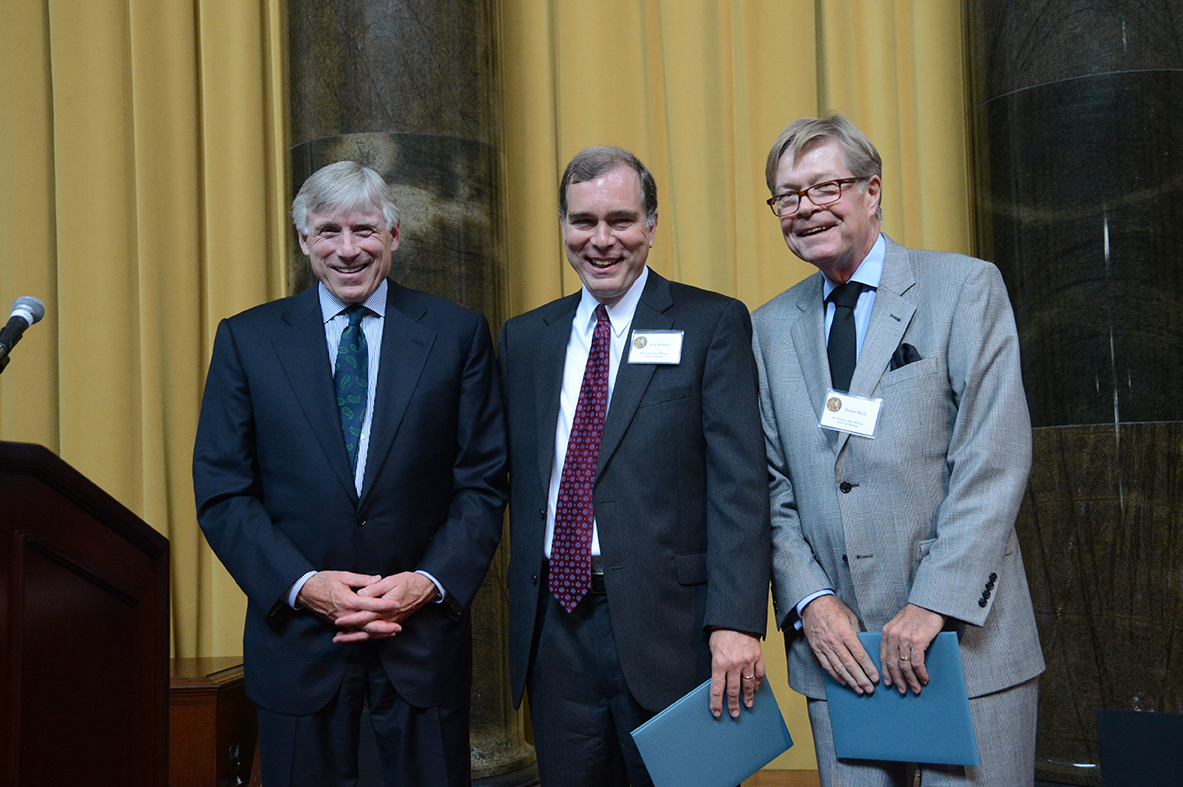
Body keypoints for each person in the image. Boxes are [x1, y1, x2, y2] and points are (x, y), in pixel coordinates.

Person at [192, 160, 508, 787]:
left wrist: (428, 582)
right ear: (305, 240)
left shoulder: (456, 334)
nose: (347, 250)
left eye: (364, 230)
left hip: (419, 643)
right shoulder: (247, 340)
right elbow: (225, 492)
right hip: (298, 646)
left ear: (393, 236)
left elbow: (483, 480)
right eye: (328, 231)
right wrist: (303, 584)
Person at [751, 114, 1045, 786]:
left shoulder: (964, 288)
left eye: (825, 187)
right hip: (840, 651)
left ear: (871, 190)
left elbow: (992, 459)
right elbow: (767, 485)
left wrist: (931, 601)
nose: (806, 209)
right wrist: (810, 600)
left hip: (965, 644)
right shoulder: (767, 328)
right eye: (788, 196)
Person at [498, 146, 771, 787]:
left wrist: (736, 622)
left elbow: (740, 484)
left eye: (620, 220)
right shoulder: (524, 338)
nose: (601, 241)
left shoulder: (711, 324)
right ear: (563, 226)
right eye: (582, 222)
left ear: (651, 224)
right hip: (556, 631)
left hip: (674, 633)